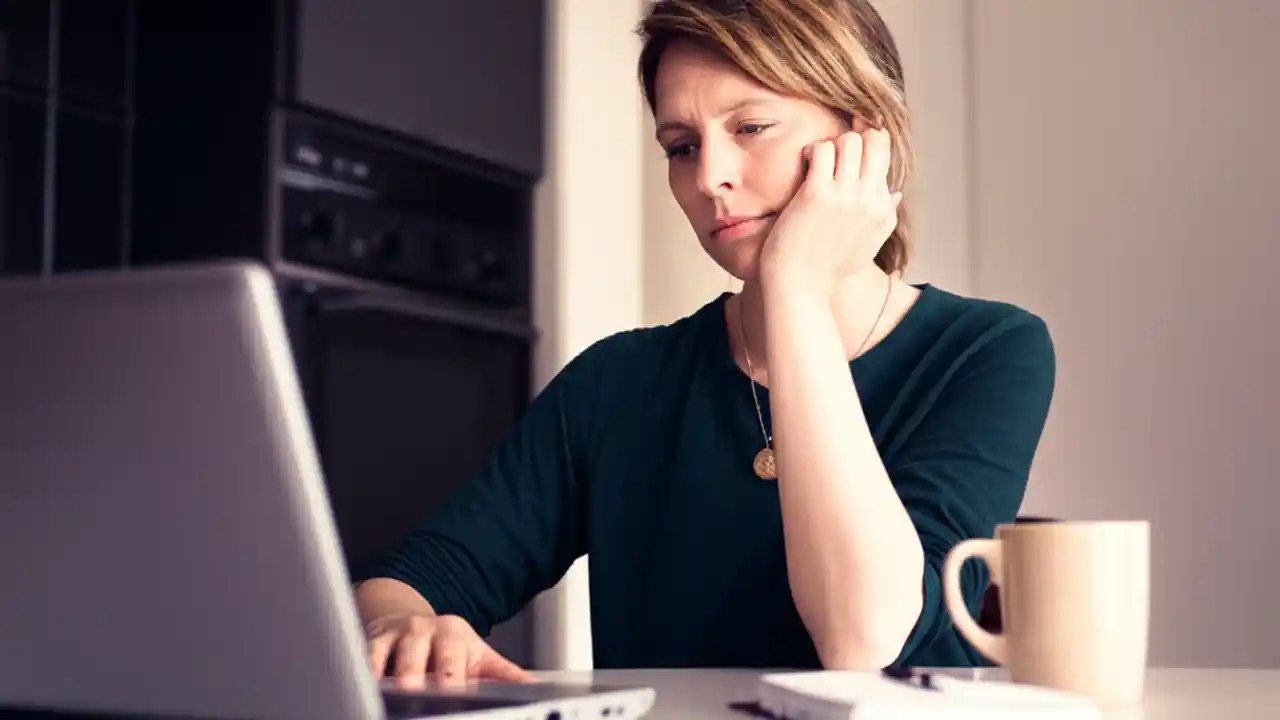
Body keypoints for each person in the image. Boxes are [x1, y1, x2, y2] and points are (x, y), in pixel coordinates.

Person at [353, 0, 1055, 687]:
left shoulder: (987, 350)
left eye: (750, 126)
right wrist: (398, 625)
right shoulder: (618, 382)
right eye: (681, 146)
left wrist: (795, 290)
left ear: (865, 136)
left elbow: (865, 639)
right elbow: (410, 584)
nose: (707, 177)